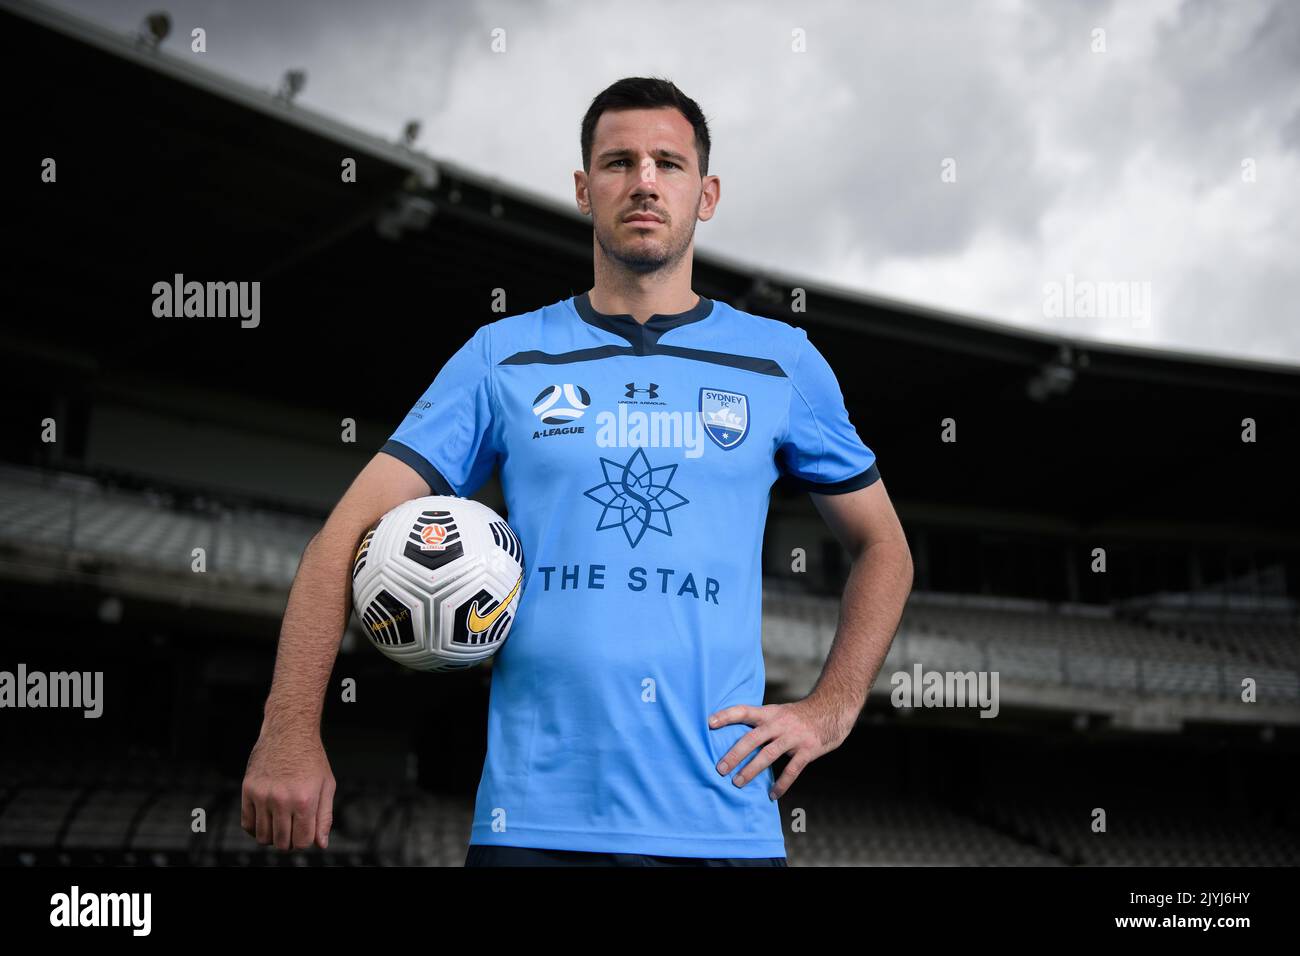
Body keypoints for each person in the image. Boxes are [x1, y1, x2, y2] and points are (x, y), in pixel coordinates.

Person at [242, 76, 913, 867]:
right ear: (583, 188)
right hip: (531, 824)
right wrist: (287, 734)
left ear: (708, 193)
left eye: (669, 162)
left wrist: (832, 710)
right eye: (618, 162)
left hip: (721, 820)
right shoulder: (502, 356)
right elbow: (342, 538)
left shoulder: (781, 362)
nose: (644, 182)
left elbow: (885, 548)